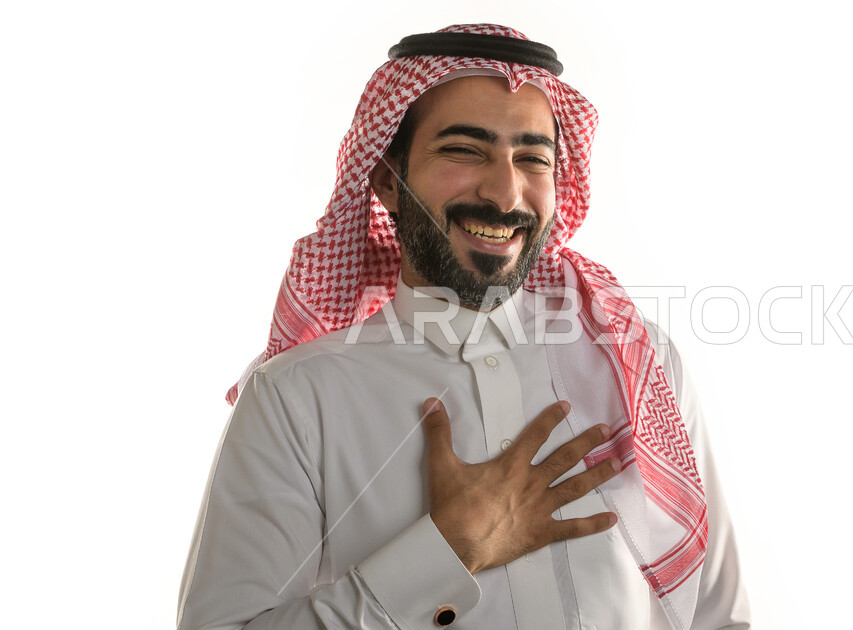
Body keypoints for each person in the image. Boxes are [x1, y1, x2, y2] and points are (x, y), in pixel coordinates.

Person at [178, 23, 750, 630]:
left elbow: (717, 619)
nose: (506, 194)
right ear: (386, 181)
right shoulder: (296, 398)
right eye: (463, 150)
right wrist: (446, 553)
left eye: (532, 158)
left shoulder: (638, 362)